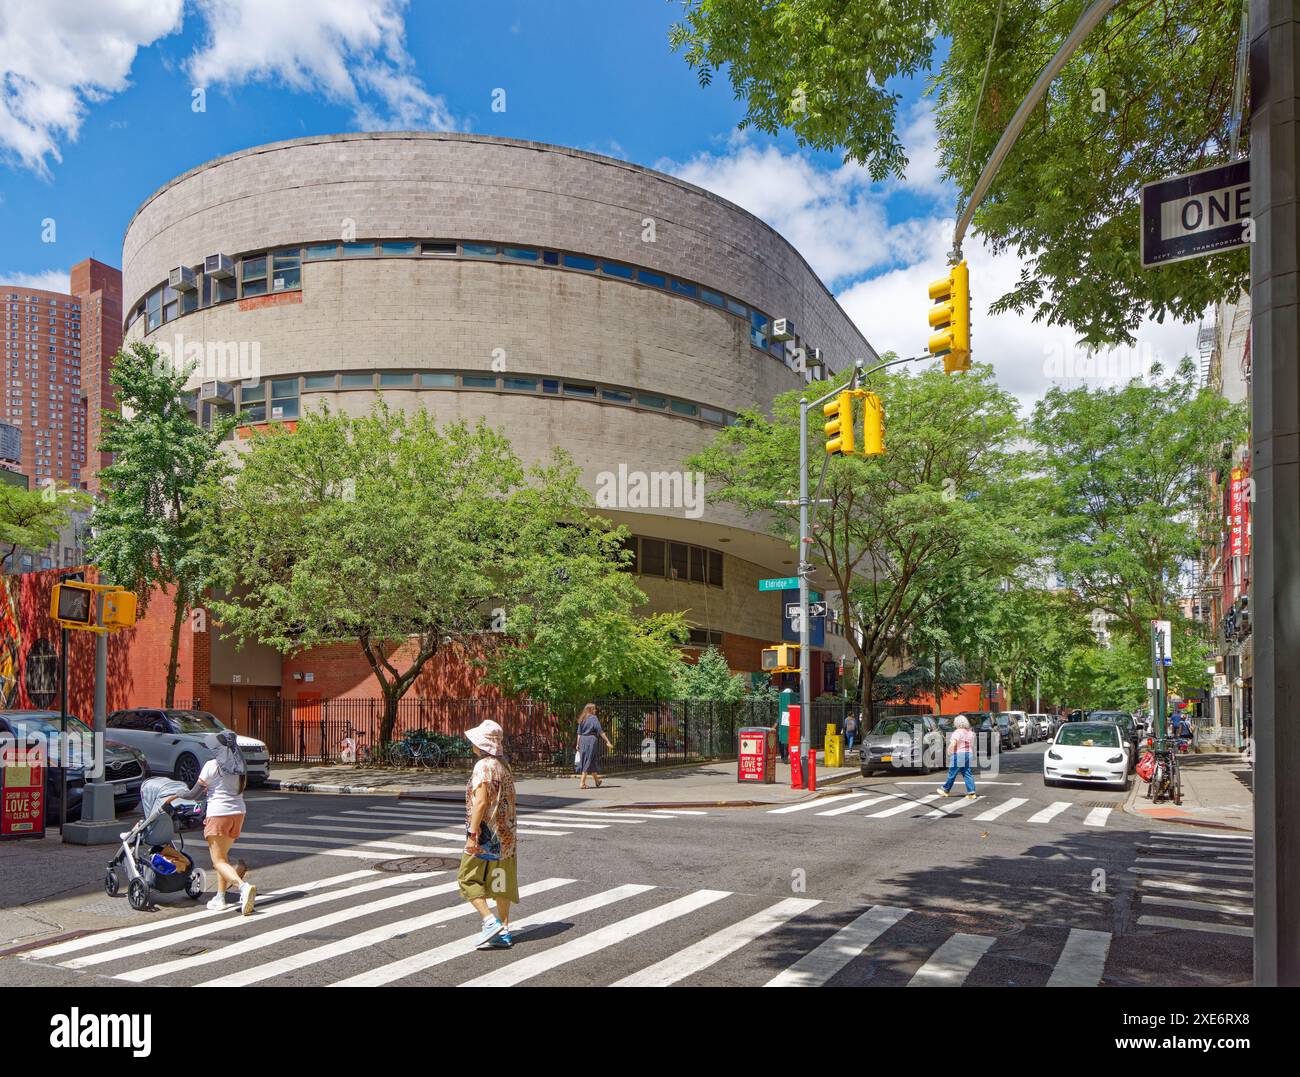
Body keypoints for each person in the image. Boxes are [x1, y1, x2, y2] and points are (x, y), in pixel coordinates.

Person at [169, 731, 256, 915]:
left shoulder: (212, 766)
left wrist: (176, 795)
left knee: (217, 862)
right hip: (238, 813)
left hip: (218, 814)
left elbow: (193, 794)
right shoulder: (241, 767)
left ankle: (243, 887)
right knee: (222, 858)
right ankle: (220, 897)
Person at [460, 720, 519, 950]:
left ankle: (489, 921)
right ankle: (503, 929)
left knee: (467, 877)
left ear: (480, 744)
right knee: (500, 883)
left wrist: (472, 834)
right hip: (506, 835)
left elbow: (482, 802)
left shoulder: (483, 766)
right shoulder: (503, 765)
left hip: (486, 836)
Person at [937, 715, 977, 799]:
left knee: (952, 772)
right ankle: (972, 792)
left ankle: (945, 789)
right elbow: (972, 745)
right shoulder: (970, 732)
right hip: (968, 753)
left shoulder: (957, 732)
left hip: (959, 754)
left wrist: (949, 750)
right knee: (967, 773)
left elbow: (954, 742)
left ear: (957, 723)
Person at [575, 702, 613, 789]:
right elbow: (600, 731)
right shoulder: (593, 718)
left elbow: (579, 733)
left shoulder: (582, 718)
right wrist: (607, 741)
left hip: (582, 740)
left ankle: (597, 781)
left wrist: (577, 744)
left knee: (591, 760)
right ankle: (582, 783)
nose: (595, 710)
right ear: (590, 710)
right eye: (594, 709)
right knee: (588, 760)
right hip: (591, 741)